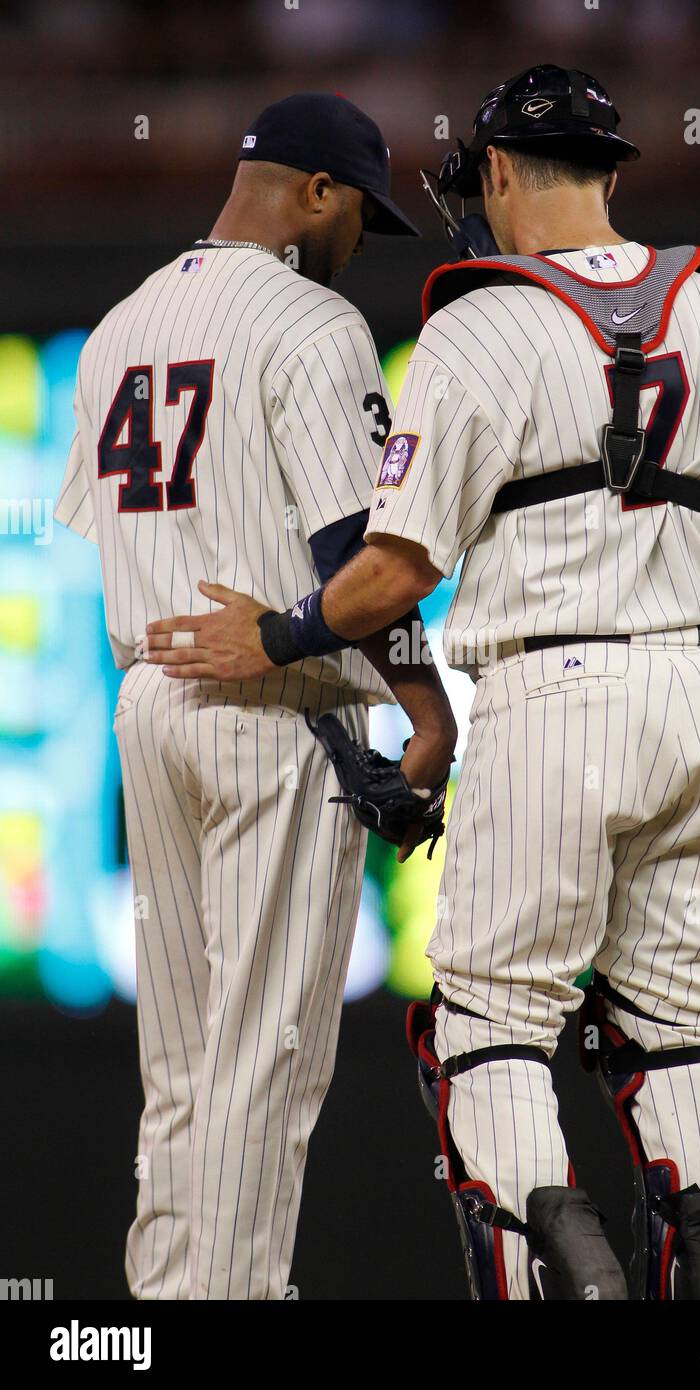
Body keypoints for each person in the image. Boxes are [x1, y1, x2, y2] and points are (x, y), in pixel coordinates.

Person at [144, 66, 700, 1300]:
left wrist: (272, 636)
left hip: (552, 699)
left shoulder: (478, 324)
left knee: (486, 1032)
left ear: (493, 171)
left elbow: (392, 572)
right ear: (609, 174)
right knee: (678, 1038)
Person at [55, 92, 456, 1300]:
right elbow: (359, 553)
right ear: (315, 192)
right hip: (277, 706)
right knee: (260, 1064)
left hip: (150, 703)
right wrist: (426, 710)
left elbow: (106, 531)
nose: (358, 242)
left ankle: (165, 1306)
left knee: (181, 1067)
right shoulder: (311, 321)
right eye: (358, 214)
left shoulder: (120, 325)